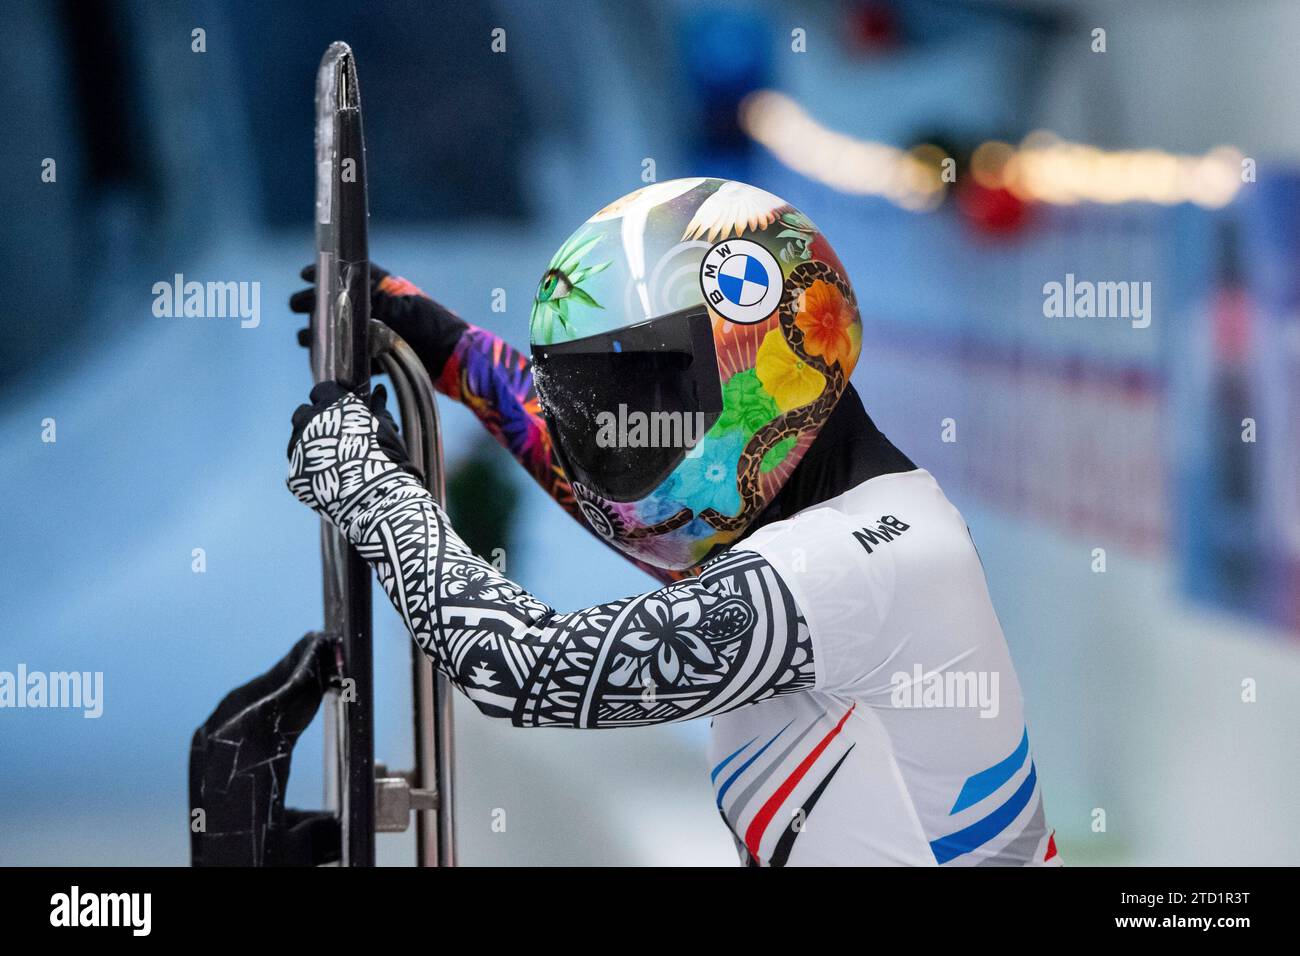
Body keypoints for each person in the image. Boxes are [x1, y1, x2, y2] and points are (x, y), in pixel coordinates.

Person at [286, 177, 1059, 866]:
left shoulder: (864, 563)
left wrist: (367, 484)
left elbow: (527, 670)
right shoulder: (846, 527)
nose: (611, 433)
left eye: (646, 397)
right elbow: (634, 493)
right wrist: (449, 349)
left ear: (760, 364)